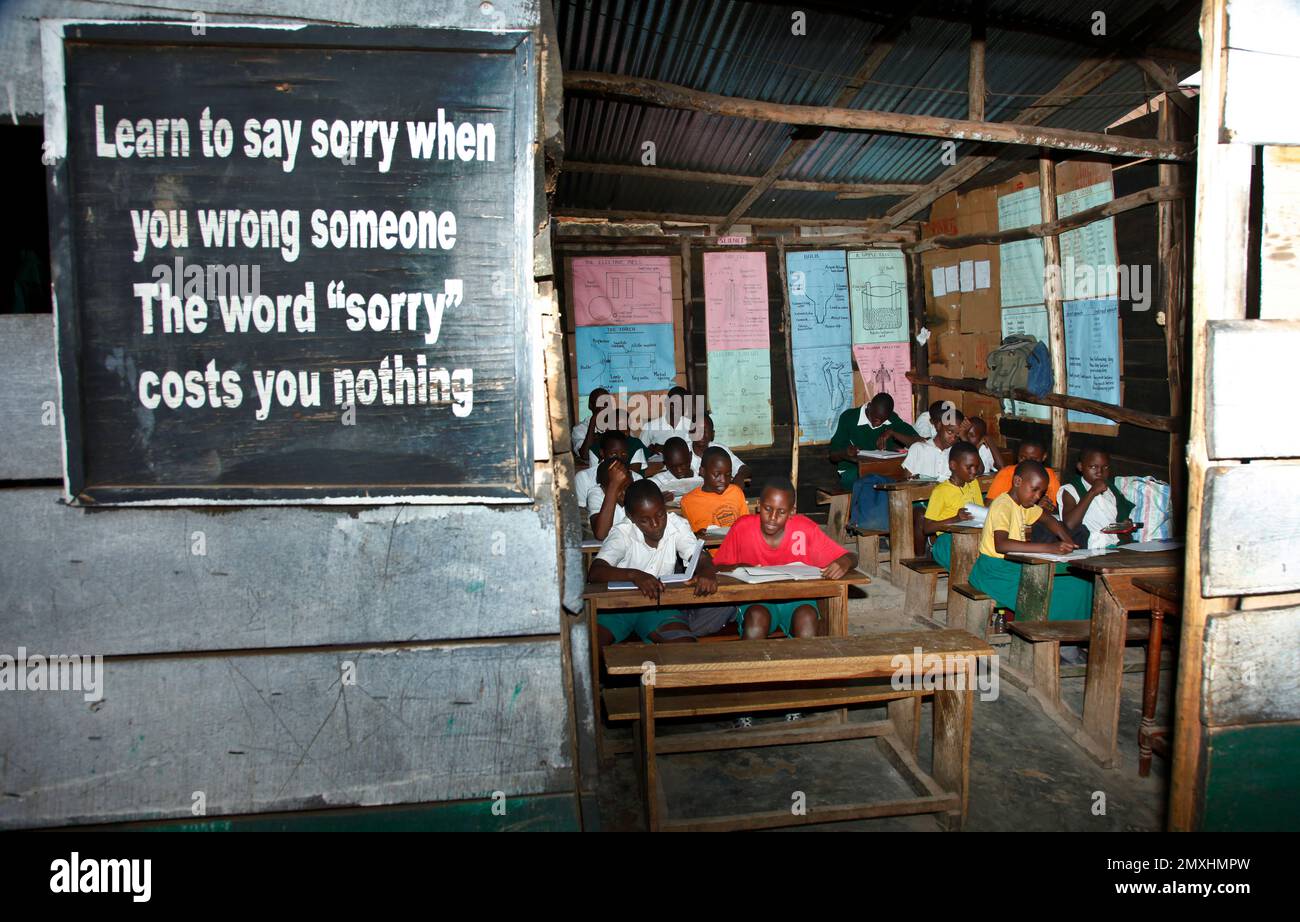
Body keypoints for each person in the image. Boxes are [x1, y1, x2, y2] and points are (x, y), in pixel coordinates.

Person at [712, 479, 856, 641]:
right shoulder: (742, 528)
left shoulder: (804, 529)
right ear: (759, 505)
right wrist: (738, 566)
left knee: (807, 618)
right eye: (767, 509)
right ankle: (752, 665)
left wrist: (844, 563)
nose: (772, 517)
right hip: (756, 600)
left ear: (792, 511)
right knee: (756, 620)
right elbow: (717, 567)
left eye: (781, 512)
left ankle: (804, 666)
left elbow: (850, 557)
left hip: (798, 599)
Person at [587, 481, 721, 645]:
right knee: (590, 649)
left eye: (660, 515)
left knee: (685, 648)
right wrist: (634, 575)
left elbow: (698, 555)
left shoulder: (675, 525)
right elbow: (595, 571)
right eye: (644, 520)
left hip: (657, 606)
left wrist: (706, 570)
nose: (656, 524)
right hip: (619, 606)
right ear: (631, 517)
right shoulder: (622, 533)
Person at [968, 459, 1094, 622]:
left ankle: (1076, 633)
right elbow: (1002, 545)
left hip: (1013, 566)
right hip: (994, 572)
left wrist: (1069, 542)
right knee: (1050, 592)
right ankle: (1053, 633)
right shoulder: (1002, 505)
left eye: (1040, 493)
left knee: (1079, 582)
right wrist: (1050, 548)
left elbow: (1048, 520)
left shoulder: (1022, 505)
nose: (1036, 497)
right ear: (1018, 481)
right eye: (1034, 490)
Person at [828, 392, 917, 489]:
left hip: (885, 470)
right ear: (869, 407)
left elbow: (918, 441)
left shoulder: (892, 418)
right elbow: (833, 455)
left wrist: (893, 433)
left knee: (908, 477)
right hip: (854, 470)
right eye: (875, 419)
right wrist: (845, 453)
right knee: (871, 482)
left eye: (883, 420)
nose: (878, 424)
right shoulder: (849, 418)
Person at [1058, 447, 1136, 549]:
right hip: (1088, 547)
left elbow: (1121, 517)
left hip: (1115, 545)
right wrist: (1093, 491)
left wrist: (1125, 525)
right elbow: (1069, 524)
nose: (1100, 472)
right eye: (1093, 467)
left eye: (1105, 467)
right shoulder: (1070, 490)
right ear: (1080, 467)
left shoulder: (1111, 490)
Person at [922, 440, 984, 570]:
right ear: (953, 465)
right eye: (969, 467)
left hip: (971, 535)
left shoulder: (973, 484)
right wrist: (956, 519)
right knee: (968, 560)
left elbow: (980, 513)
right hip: (947, 541)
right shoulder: (941, 491)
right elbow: (927, 528)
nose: (974, 471)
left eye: (976, 467)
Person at [681, 446, 747, 534]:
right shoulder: (688, 502)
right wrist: (697, 535)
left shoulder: (736, 492)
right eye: (717, 475)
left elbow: (746, 526)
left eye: (728, 474)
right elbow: (687, 538)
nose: (723, 480)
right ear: (702, 471)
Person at [575, 430, 639, 510]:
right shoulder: (584, 478)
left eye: (624, 454)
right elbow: (582, 512)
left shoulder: (636, 477)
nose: (619, 458)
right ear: (602, 453)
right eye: (613, 454)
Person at [689, 414, 750, 487]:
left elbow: (744, 469)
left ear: (712, 434)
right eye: (697, 430)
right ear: (691, 433)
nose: (702, 434)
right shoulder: (682, 450)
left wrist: (740, 476)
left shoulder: (720, 450)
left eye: (706, 430)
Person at [902, 409, 963, 479]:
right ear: (939, 425)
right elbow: (906, 482)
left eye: (957, 435)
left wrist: (965, 438)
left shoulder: (956, 453)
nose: (953, 438)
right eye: (950, 432)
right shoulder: (918, 449)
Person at [640, 386, 698, 454]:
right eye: (674, 404)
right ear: (666, 402)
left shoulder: (690, 426)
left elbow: (694, 449)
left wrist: (665, 448)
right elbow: (640, 451)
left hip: (683, 463)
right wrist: (650, 450)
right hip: (657, 463)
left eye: (682, 406)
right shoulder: (650, 427)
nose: (678, 409)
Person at [588, 458, 633, 540]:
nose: (624, 493)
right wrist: (613, 487)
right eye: (618, 488)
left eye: (627, 487)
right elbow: (601, 534)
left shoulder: (636, 488)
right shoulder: (597, 493)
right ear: (603, 488)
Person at [572, 388, 612, 465]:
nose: (603, 406)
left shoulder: (617, 423)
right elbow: (586, 455)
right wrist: (593, 420)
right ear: (590, 406)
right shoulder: (580, 429)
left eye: (606, 403)